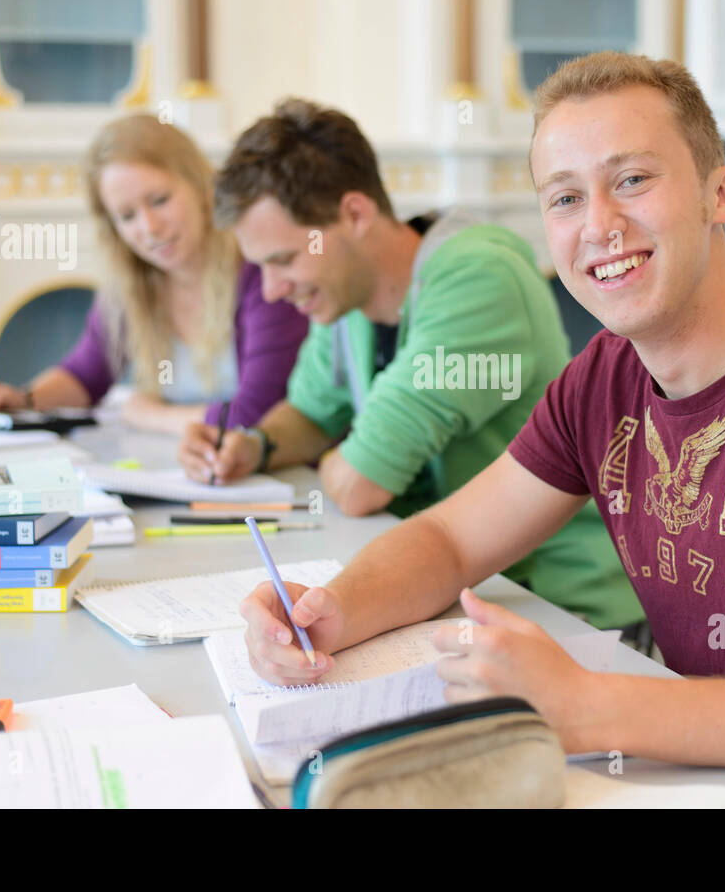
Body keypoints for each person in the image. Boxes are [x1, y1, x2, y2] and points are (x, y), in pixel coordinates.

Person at [234, 54, 725, 808]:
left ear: (720, 193)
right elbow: (451, 542)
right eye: (565, 198)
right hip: (720, 780)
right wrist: (332, 608)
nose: (599, 225)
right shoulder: (603, 377)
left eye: (633, 179)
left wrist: (591, 706)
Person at [177, 99, 643, 633]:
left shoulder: (479, 277)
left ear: (354, 215)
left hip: (561, 613)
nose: (272, 290)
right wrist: (254, 444)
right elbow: (308, 416)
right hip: (447, 587)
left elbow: (359, 484)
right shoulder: (341, 299)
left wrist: (342, 456)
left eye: (284, 260)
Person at [0, 114, 308, 435]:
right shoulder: (133, 285)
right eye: (127, 216)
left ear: (200, 185)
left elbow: (258, 416)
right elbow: (85, 376)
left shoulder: (260, 271)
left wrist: (149, 414)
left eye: (160, 200)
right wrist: (22, 399)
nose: (149, 228)